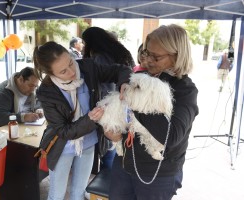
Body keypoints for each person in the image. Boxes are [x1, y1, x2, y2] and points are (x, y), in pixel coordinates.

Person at [105, 24, 199, 200]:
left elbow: (171, 136)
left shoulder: (185, 90)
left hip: (157, 174)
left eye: (156, 57)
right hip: (125, 162)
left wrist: (135, 98)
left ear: (177, 55)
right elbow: (122, 72)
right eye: (147, 53)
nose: (147, 60)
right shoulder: (147, 75)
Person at [33, 41, 131, 200]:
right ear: (51, 74)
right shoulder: (46, 91)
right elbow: (64, 131)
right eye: (63, 71)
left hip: (88, 143)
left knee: (78, 193)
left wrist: (124, 83)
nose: (72, 72)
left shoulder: (88, 68)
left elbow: (121, 69)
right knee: (57, 195)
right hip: (62, 146)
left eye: (71, 63)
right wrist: (90, 119)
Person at [82, 26, 135, 170]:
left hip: (111, 105)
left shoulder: (99, 57)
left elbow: (104, 88)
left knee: (109, 143)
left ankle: (107, 181)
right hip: (124, 104)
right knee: (116, 144)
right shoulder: (121, 52)